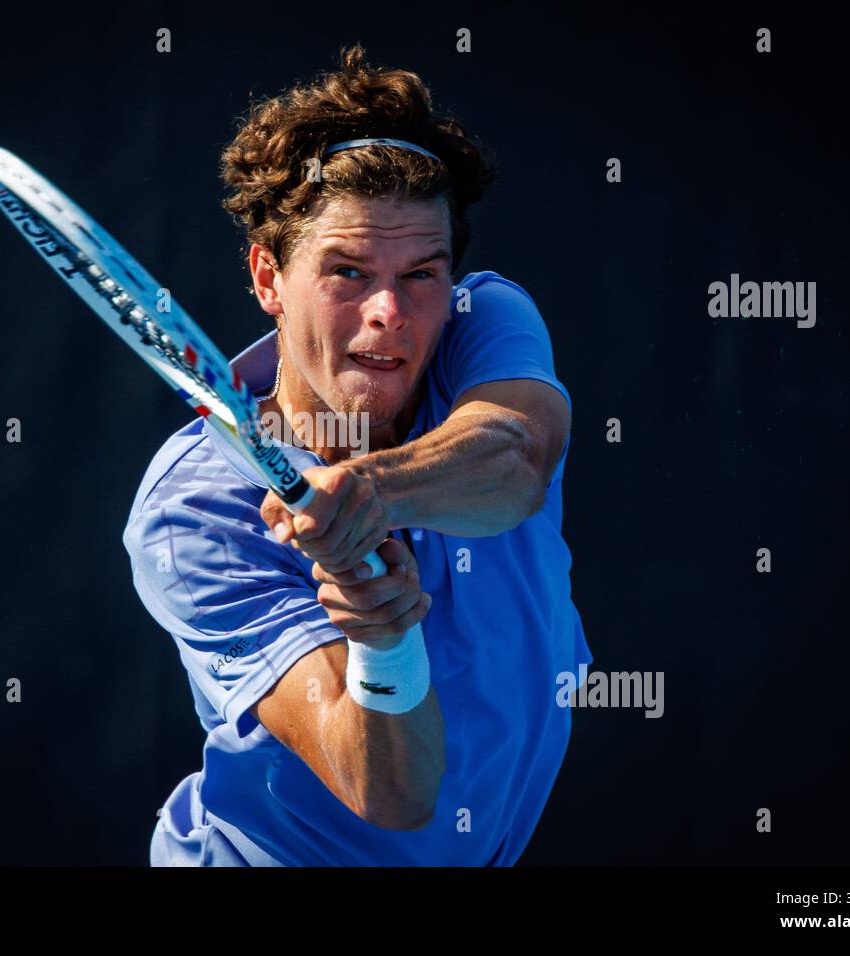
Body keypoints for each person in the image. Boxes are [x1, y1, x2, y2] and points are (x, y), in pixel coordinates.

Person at [123, 44, 591, 866]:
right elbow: (390, 792)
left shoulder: (484, 324)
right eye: (347, 271)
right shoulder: (193, 507)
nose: (389, 312)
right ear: (269, 278)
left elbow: (515, 464)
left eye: (421, 273)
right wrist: (384, 638)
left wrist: (364, 491)